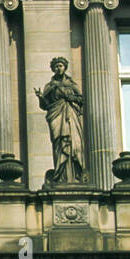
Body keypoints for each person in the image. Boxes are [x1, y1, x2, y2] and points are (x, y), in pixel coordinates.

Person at [35, 56, 88, 185]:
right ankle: (60, 174)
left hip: (71, 116)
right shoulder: (50, 86)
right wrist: (41, 97)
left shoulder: (72, 84)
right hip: (56, 115)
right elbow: (46, 105)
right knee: (59, 144)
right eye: (56, 66)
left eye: (61, 65)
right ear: (53, 69)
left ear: (65, 67)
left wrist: (71, 98)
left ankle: (75, 175)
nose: (59, 68)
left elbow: (81, 100)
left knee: (74, 145)